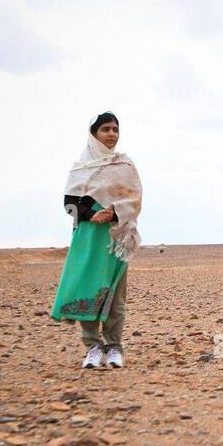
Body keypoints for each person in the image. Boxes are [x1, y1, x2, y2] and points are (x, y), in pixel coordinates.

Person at [50, 112, 143, 368]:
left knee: (114, 294)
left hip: (116, 236)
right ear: (94, 134)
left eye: (115, 129)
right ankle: (92, 347)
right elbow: (70, 204)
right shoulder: (81, 167)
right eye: (106, 129)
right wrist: (93, 215)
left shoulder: (125, 165)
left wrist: (114, 212)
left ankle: (114, 347)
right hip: (88, 236)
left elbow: (135, 199)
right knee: (87, 289)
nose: (112, 134)